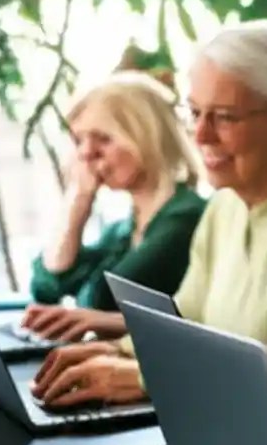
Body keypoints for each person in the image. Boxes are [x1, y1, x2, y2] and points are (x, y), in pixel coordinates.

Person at [28, 20, 267, 409]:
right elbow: (187, 323)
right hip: (234, 428)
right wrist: (113, 353)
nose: (200, 135)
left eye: (223, 117)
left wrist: (144, 377)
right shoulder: (224, 207)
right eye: (195, 113)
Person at [20, 72, 206, 344]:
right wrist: (78, 201)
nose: (86, 153)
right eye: (79, 140)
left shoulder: (183, 218)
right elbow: (46, 286)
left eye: (103, 139)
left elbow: (100, 301)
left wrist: (81, 197)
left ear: (146, 138)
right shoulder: (126, 228)